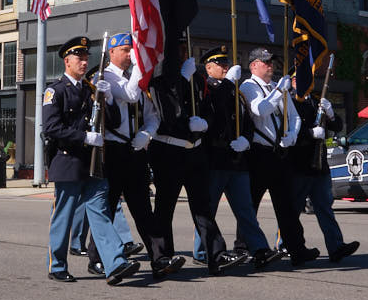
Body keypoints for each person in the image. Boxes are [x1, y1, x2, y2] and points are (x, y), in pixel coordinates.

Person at [42, 36, 139, 285]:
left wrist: (107, 99)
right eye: (79, 58)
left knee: (100, 213)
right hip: (68, 161)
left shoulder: (92, 89)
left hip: (93, 162)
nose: (85, 62)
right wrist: (84, 136)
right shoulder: (56, 90)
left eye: (86, 58)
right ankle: (58, 264)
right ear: (67, 61)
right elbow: (52, 128)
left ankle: (115, 263)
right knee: (64, 215)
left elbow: (114, 122)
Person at [86, 33, 171, 278]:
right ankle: (97, 259)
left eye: (131, 49)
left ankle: (159, 258)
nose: (129, 53)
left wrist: (147, 133)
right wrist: (138, 68)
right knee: (108, 207)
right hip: (112, 151)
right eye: (124, 49)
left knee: (143, 208)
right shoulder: (104, 77)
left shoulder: (137, 79)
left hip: (135, 150)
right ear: (111, 52)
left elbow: (151, 113)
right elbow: (130, 94)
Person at [199, 46, 285, 271]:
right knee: (208, 209)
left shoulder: (235, 90)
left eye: (226, 64)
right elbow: (214, 111)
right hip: (216, 158)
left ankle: (259, 250)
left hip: (237, 159)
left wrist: (246, 139)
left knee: (245, 209)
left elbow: (247, 120)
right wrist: (227, 84)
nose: (225, 67)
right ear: (208, 68)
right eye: (220, 64)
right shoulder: (206, 88)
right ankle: (204, 251)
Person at [149, 48, 232, 275]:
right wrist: (182, 81)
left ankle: (216, 255)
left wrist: (205, 122)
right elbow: (166, 110)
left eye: (185, 50)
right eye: (179, 50)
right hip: (169, 149)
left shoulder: (196, 77)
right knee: (165, 207)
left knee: (203, 207)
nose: (183, 54)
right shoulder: (160, 76)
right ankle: (163, 258)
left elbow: (207, 105)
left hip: (194, 151)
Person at [239, 47, 317, 266]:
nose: (270, 66)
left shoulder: (276, 87)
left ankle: (296, 248)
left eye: (272, 63)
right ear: (253, 65)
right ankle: (243, 247)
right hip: (258, 154)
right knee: (250, 204)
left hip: (279, 154)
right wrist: (278, 92)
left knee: (287, 206)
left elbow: (294, 116)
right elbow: (260, 110)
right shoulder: (248, 86)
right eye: (266, 63)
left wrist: (291, 135)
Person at [290, 91, 360, 263]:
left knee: (325, 208)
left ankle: (335, 247)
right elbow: (286, 131)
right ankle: (286, 244)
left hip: (319, 165)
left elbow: (337, 126)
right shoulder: (289, 102)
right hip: (299, 164)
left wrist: (330, 113)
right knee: (291, 211)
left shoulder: (316, 102)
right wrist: (309, 133)